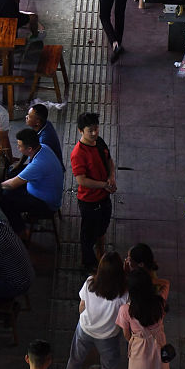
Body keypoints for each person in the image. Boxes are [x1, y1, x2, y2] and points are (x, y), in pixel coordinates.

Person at [62, 252, 127, 369]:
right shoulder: (123, 293)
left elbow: (81, 306)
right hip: (108, 337)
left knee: (74, 360)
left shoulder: (90, 283)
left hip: (85, 329)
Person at [70, 112, 116, 272]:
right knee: (87, 235)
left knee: (102, 227)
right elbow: (81, 180)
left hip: (104, 197)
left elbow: (109, 161)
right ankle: (89, 262)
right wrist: (104, 185)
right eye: (91, 130)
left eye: (96, 129)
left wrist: (111, 177)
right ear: (80, 131)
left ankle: (100, 252)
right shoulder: (78, 153)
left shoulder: (99, 142)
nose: (95, 133)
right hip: (89, 201)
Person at [0, 127, 64, 235]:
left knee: (4, 199)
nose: (17, 148)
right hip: (42, 187)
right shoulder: (43, 147)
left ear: (29, 149)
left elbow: (12, 184)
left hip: (46, 204)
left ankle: (21, 230)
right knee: (11, 175)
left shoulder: (38, 164)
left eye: (19, 146)